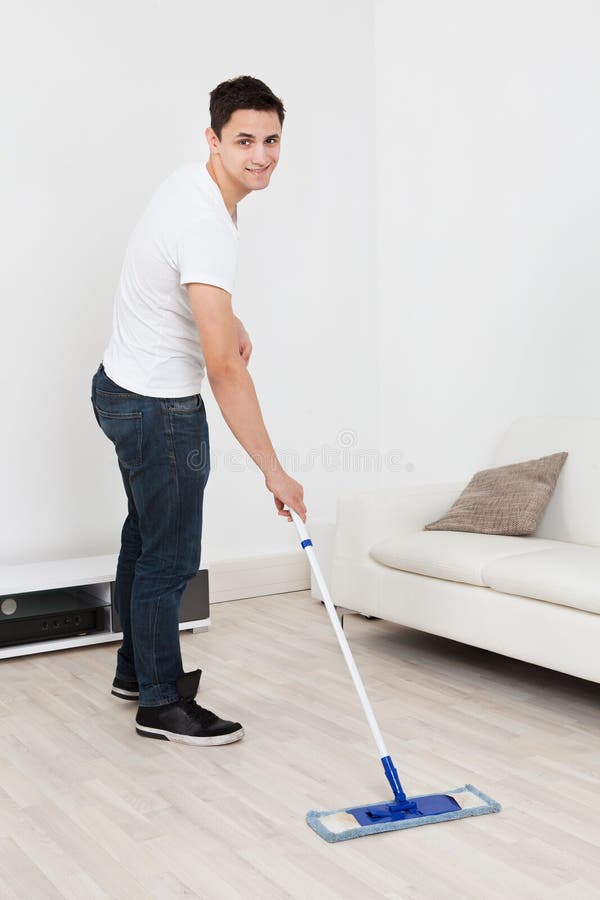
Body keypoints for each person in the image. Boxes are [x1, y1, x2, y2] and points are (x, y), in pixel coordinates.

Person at [90, 75, 306, 747]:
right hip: (158, 407)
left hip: (117, 387)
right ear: (214, 138)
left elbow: (176, 275)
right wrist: (276, 472)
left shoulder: (193, 184)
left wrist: (228, 316)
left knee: (144, 535)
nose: (261, 156)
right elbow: (223, 370)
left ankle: (136, 668)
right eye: (245, 140)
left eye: (271, 140)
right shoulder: (208, 220)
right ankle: (159, 703)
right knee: (170, 555)